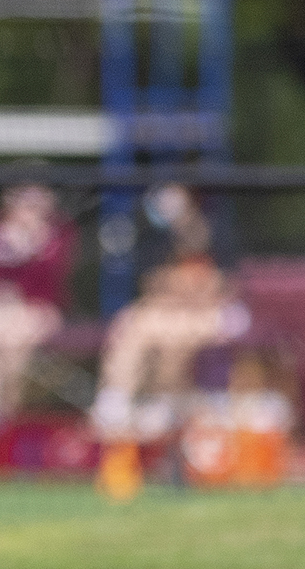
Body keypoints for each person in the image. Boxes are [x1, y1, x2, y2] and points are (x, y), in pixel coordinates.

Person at [91, 185, 246, 449]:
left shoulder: (216, 231)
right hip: (166, 311)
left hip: (206, 314)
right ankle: (115, 400)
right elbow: (153, 284)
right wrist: (185, 289)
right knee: (134, 326)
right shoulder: (155, 237)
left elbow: (224, 286)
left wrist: (188, 289)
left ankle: (164, 405)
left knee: (175, 337)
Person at [0, 183, 77, 437]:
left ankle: (5, 415)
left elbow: (53, 277)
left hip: (37, 309)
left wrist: (32, 246)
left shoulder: (60, 231)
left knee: (12, 339)